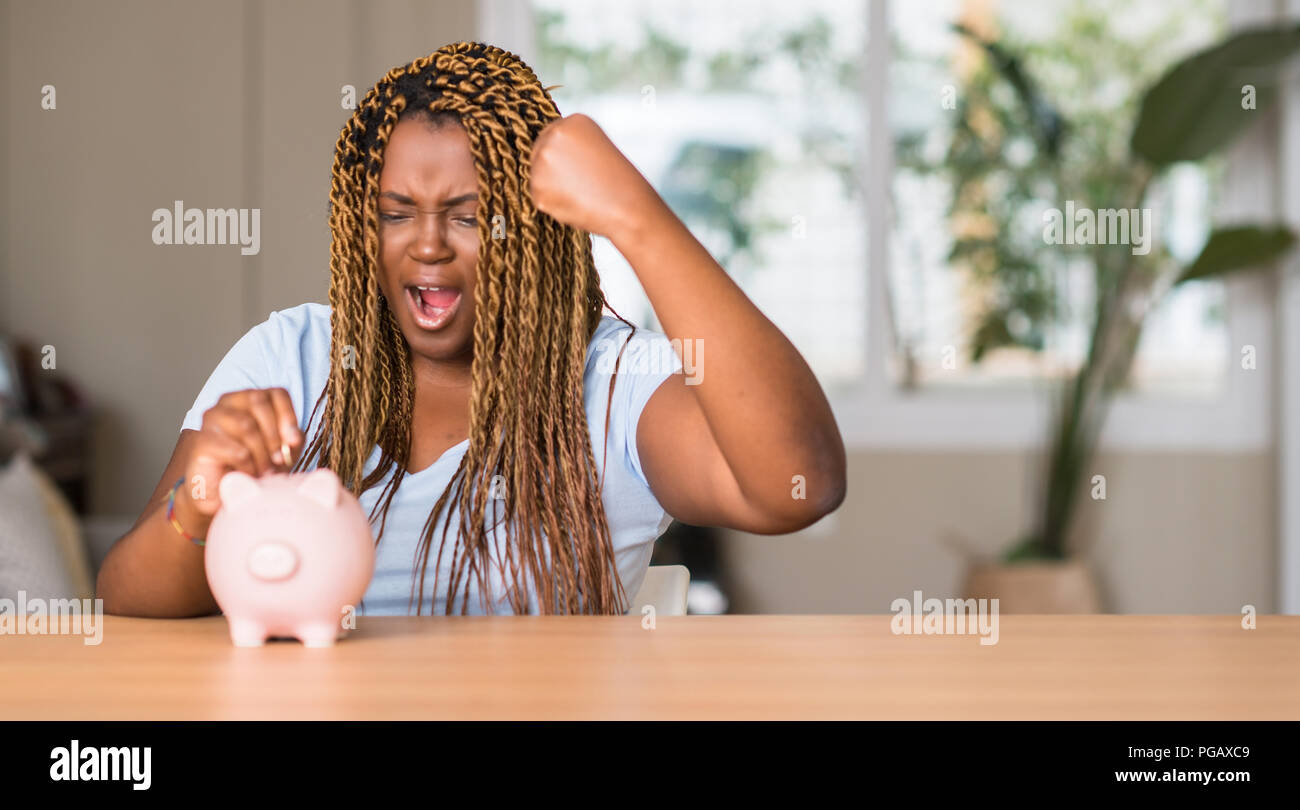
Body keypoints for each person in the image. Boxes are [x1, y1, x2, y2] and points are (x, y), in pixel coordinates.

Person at [97, 41, 845, 617]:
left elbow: (797, 487)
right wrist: (198, 499)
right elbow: (128, 600)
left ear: (539, 229)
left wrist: (635, 220)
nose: (426, 245)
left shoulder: (616, 385)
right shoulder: (290, 356)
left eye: (469, 217)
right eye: (396, 214)